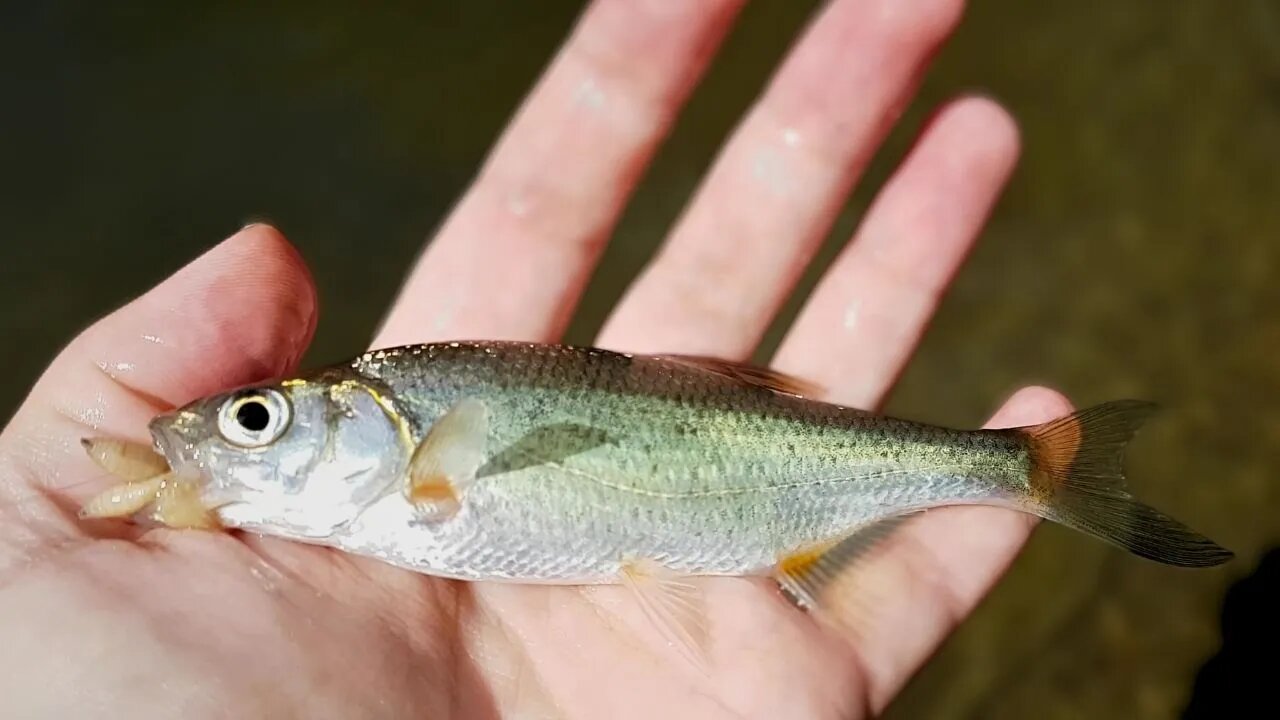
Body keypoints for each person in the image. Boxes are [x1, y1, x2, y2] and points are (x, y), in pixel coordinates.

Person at [0, 0, 1071, 717]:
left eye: (255, 420)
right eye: (250, 419)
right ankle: (1016, 466)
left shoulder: (412, 452)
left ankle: (1021, 465)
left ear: (368, 421)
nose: (230, 434)